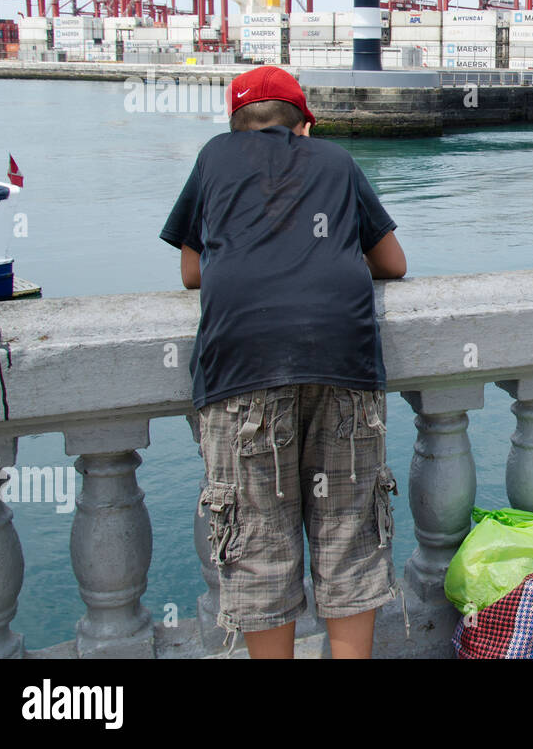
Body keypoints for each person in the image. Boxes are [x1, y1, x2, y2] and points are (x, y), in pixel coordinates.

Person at [161, 66, 408, 659]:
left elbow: (193, 272)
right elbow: (393, 263)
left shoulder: (214, 158)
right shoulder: (336, 161)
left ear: (235, 123)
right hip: (341, 361)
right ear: (305, 125)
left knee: (258, 544)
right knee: (349, 539)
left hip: (244, 367)